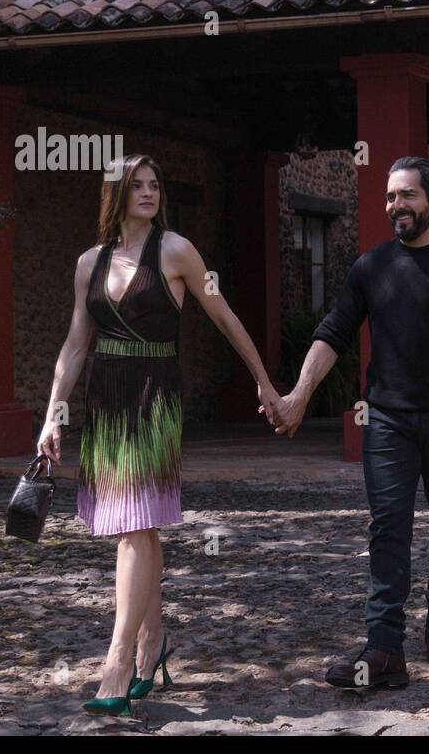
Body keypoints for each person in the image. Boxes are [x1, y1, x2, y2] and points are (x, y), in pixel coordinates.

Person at [37, 153, 282, 715]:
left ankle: (118, 661)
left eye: (155, 185)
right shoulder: (88, 262)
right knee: (134, 529)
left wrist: (264, 382)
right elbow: (76, 345)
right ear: (116, 194)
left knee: (134, 527)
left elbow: (223, 316)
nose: (148, 193)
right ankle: (154, 643)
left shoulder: (175, 250)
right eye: (136, 185)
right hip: (105, 400)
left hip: (153, 400)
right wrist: (52, 414)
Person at [272, 155, 429, 688]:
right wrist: (300, 393)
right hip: (388, 420)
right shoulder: (370, 267)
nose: (397, 205)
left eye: (408, 196)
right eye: (391, 197)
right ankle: (384, 647)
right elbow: (334, 332)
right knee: (388, 526)